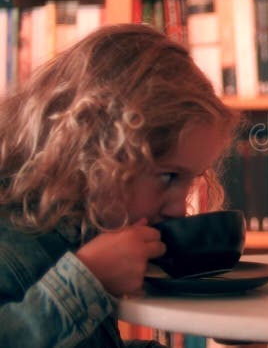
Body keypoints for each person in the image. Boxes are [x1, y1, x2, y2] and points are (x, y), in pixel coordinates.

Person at [0, 24, 240, 347]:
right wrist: (87, 280)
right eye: (169, 177)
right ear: (95, 149)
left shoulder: (81, 229)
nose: (180, 209)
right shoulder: (11, 238)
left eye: (191, 180)